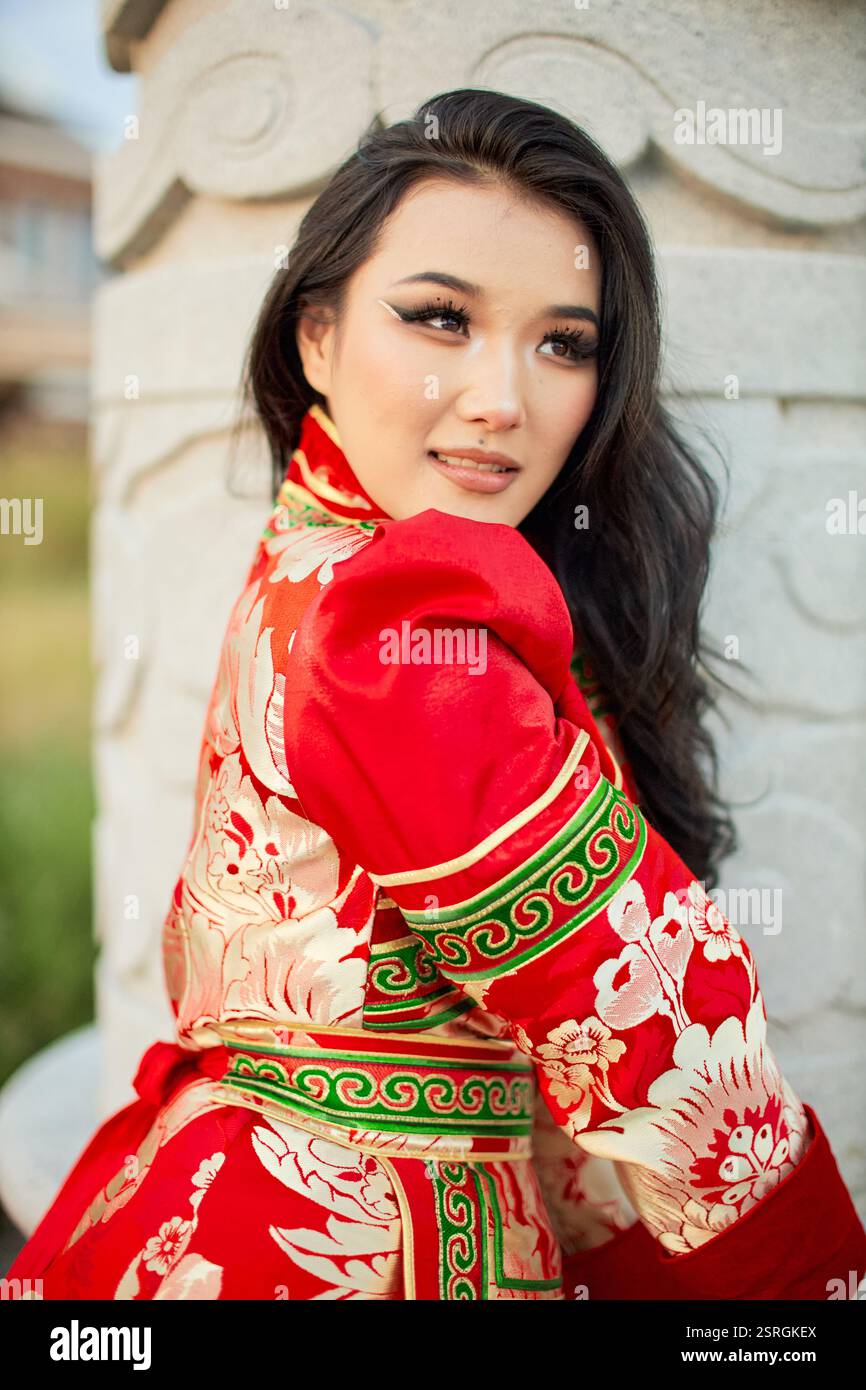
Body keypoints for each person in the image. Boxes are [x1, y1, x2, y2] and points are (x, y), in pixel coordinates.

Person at [9, 88, 865, 1301]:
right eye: (439, 319)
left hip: (219, 1207)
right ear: (315, 336)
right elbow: (652, 1030)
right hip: (360, 1248)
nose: (503, 399)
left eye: (563, 342)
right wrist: (811, 1288)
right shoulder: (400, 622)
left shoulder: (319, 545)